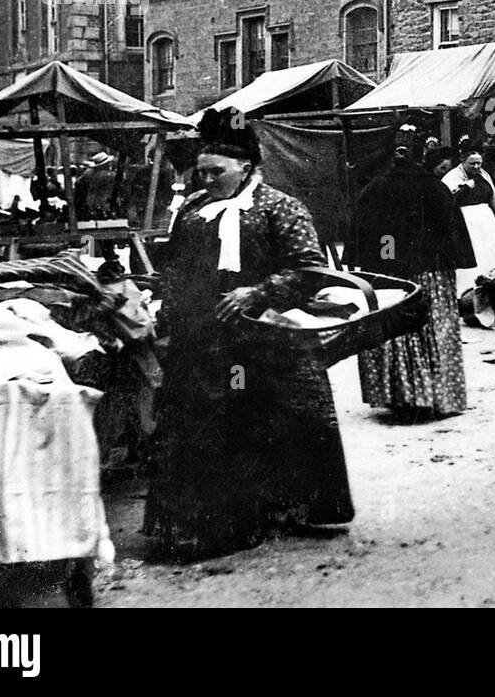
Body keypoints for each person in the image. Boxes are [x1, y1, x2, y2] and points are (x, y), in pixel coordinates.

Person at [144, 108, 353, 560]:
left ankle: (290, 507)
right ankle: (213, 521)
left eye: (216, 171)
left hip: (267, 338)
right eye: (201, 172)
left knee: (281, 418)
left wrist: (258, 292)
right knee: (202, 425)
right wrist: (169, 313)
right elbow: (174, 269)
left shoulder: (281, 208)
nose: (207, 180)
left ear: (247, 168)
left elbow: (310, 270)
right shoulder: (194, 211)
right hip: (204, 339)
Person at [348, 144, 474, 417]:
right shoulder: (435, 188)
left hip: (389, 273)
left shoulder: (374, 188)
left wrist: (382, 259)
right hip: (431, 271)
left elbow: (362, 235)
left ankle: (399, 395)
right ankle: (439, 395)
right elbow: (452, 234)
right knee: (434, 327)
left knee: (395, 328)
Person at [442, 149, 495, 296]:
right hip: (467, 221)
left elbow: (492, 197)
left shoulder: (484, 176)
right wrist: (466, 187)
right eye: (472, 164)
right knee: (475, 254)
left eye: (479, 163)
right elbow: (449, 200)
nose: (476, 167)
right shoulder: (452, 177)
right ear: (463, 161)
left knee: (489, 254)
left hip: (486, 221)